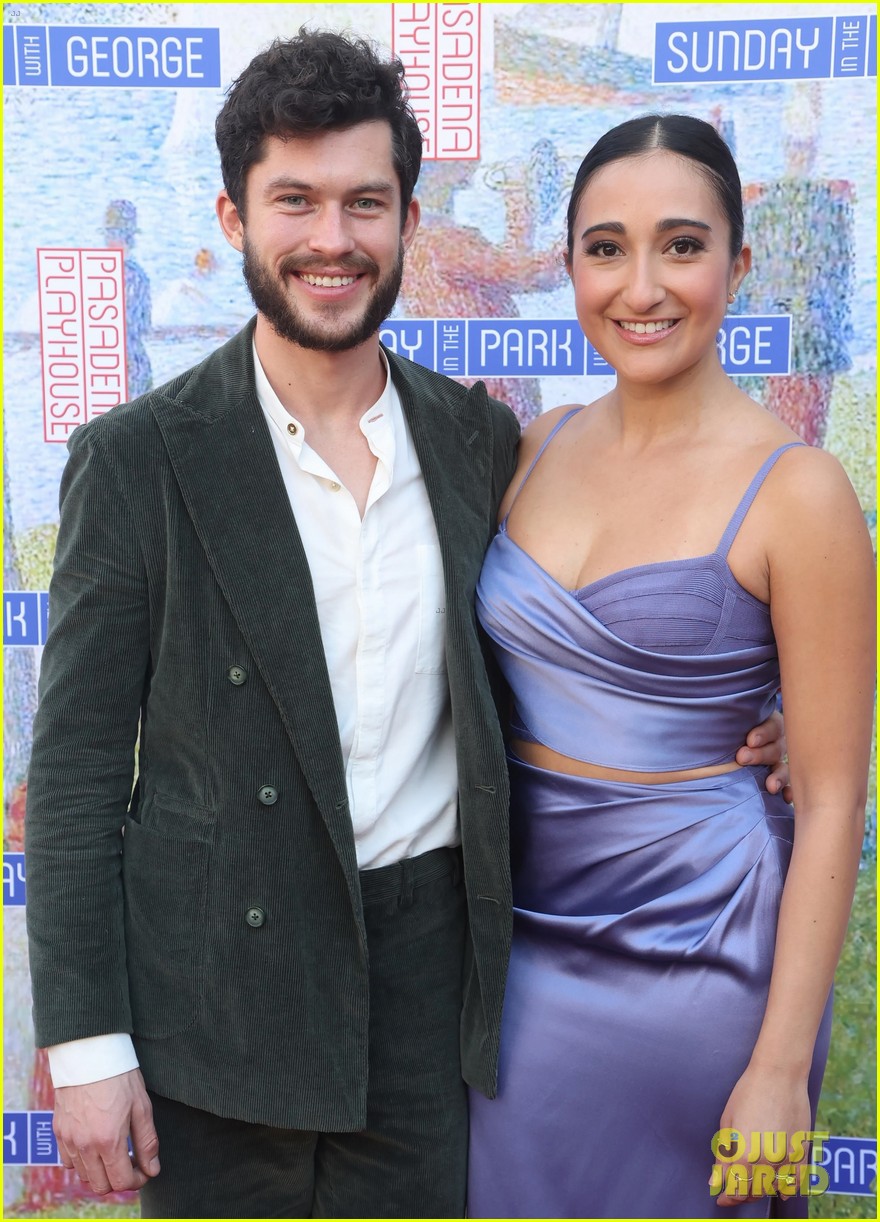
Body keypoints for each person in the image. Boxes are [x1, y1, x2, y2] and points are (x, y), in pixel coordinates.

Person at [23, 35, 791, 1217]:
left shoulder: (478, 442)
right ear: (234, 217)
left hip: (430, 1016)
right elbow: (72, 777)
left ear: (409, 223)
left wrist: (749, 715)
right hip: (220, 1017)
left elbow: (586, 622)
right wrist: (85, 1048)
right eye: (296, 200)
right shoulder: (137, 460)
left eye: (363, 202)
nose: (331, 238)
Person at [467, 114, 874, 1219]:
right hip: (517, 953)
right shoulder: (533, 444)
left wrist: (783, 1066)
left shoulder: (798, 493)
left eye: (681, 245)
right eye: (605, 248)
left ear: (738, 265)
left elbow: (835, 798)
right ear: (567, 268)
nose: (640, 286)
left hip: (701, 949)